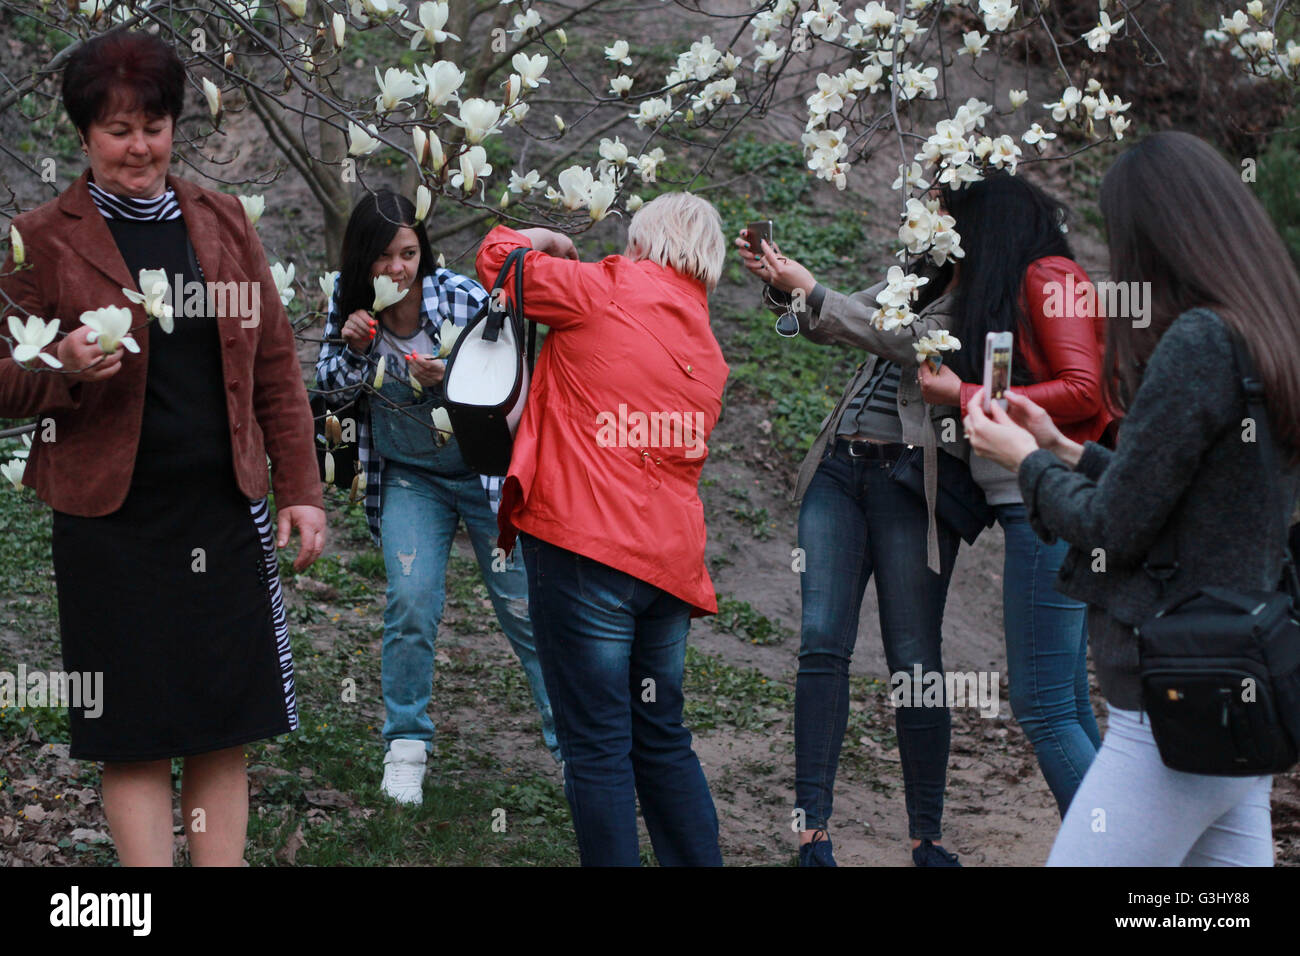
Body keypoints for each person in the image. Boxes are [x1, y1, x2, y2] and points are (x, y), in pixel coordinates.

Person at [0, 29, 324, 866]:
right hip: (112, 525)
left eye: (153, 125)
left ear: (175, 126)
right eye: (117, 130)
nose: (138, 146)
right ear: (84, 136)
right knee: (134, 736)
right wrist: (61, 366)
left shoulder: (218, 222)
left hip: (221, 513)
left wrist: (299, 489)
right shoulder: (39, 239)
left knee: (223, 730)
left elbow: (277, 364)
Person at [964, 131, 1300, 866]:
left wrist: (1023, 463)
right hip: (1239, 679)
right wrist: (1061, 446)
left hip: (1168, 707)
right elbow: (1180, 491)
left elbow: (1113, 524)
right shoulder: (1267, 337)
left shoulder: (1197, 343)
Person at [476, 192, 728, 866]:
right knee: (662, 737)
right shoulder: (707, 348)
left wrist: (536, 236)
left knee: (596, 746)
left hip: (586, 547)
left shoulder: (601, 289)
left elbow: (497, 259)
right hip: (669, 565)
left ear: (643, 244)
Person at [315, 190, 559, 807]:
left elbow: (509, 384)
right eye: (384, 257)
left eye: (409, 253)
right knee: (411, 600)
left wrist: (449, 382)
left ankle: (574, 747)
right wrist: (357, 351)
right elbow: (330, 401)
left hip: (480, 472)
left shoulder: (459, 297)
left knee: (524, 608)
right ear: (361, 262)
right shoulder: (350, 314)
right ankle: (405, 748)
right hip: (410, 478)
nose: (399, 269)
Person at [737, 225, 970, 866]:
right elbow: (831, 320)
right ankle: (811, 832)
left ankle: (928, 838)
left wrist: (813, 287)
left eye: (945, 207)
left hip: (909, 481)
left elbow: (902, 339)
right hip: (839, 472)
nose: (932, 217)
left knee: (915, 662)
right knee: (820, 645)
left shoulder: (979, 294)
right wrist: (783, 282)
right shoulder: (913, 271)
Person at [915, 174, 1110, 816]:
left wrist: (964, 395)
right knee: (1067, 702)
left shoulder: (1048, 276)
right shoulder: (1020, 285)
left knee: (1043, 705)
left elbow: (1084, 389)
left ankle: (1115, 856)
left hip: (1055, 503)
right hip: (1042, 504)